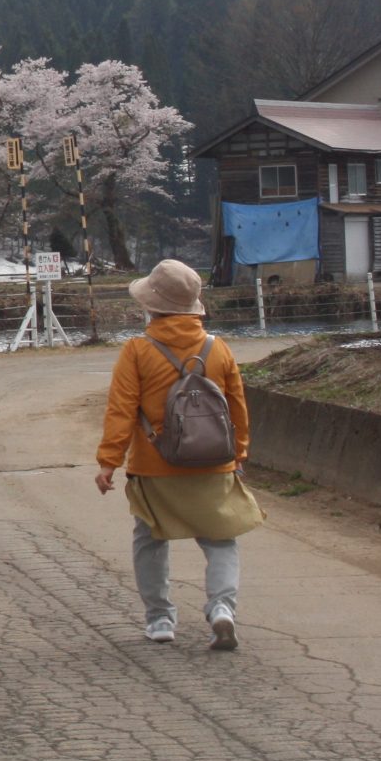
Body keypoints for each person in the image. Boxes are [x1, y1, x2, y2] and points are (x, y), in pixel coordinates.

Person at [94, 258, 264, 650]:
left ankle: (160, 619)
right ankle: (221, 609)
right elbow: (236, 406)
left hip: (156, 466)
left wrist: (109, 462)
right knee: (221, 539)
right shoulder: (217, 349)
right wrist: (238, 452)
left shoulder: (137, 350)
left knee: (150, 539)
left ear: (151, 305)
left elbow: (121, 409)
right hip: (213, 462)